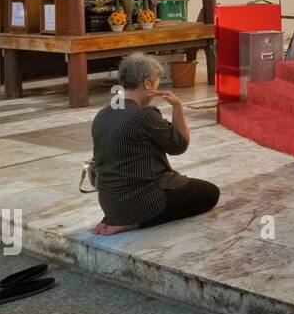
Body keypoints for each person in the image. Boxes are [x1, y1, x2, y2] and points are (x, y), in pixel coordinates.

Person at [90, 54, 218, 236]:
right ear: (147, 84)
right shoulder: (143, 114)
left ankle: (122, 218)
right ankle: (136, 222)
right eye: (157, 83)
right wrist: (178, 107)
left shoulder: (102, 114)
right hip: (140, 200)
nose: (158, 88)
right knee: (209, 194)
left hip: (110, 204)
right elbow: (179, 145)